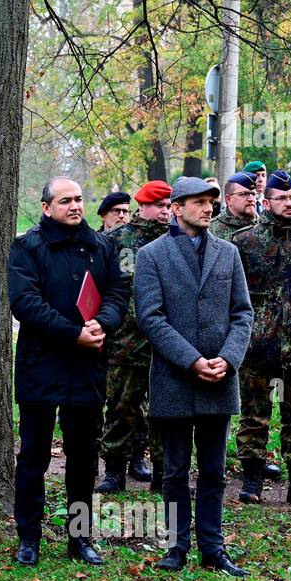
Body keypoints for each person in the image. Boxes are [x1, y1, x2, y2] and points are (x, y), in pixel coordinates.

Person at [134, 177, 254, 576]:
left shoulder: (228, 253)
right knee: (174, 470)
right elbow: (150, 317)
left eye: (211, 202)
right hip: (175, 377)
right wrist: (191, 360)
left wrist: (228, 358)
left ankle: (213, 547)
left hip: (220, 377)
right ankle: (176, 545)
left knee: (216, 470)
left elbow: (242, 313)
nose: (208, 209)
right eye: (199, 202)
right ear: (176, 207)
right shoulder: (152, 255)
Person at [9, 177, 130, 566]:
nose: (75, 206)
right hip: (41, 365)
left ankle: (80, 538)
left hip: (87, 366)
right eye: (66, 201)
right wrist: (72, 333)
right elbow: (25, 303)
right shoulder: (27, 246)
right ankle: (29, 538)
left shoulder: (103, 245)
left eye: (79, 199)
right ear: (47, 208)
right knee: (34, 457)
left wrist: (103, 324)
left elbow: (119, 291)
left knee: (83, 457)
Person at [230, 171, 291, 506]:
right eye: (282, 198)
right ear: (266, 201)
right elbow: (232, 295)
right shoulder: (244, 242)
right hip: (258, 348)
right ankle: (253, 479)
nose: (290, 203)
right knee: (254, 416)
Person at [98, 180, 172, 495]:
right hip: (125, 342)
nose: (165, 212)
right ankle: (114, 471)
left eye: (169, 206)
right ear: (142, 205)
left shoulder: (177, 241)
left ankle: (162, 473)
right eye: (159, 206)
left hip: (167, 345)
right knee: (121, 409)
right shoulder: (116, 240)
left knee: (165, 413)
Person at [210, 171, 258, 242]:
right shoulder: (211, 230)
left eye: (253, 194)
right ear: (229, 199)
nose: (251, 199)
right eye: (244, 194)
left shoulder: (264, 228)